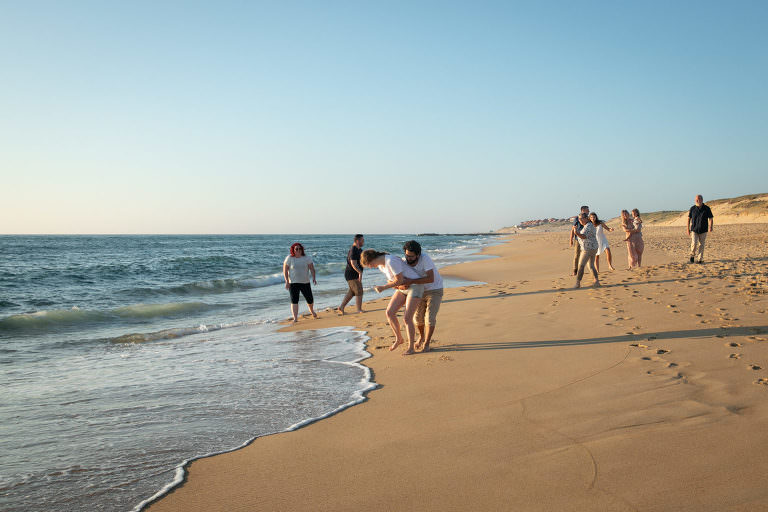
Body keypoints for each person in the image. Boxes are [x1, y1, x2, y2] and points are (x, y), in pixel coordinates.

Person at [360, 249, 423, 355]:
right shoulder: (381, 266)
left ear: (372, 259)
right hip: (402, 288)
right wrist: (395, 285)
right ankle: (399, 338)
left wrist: (383, 287)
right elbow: (394, 280)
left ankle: (411, 348)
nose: (370, 267)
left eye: (369, 265)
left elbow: (399, 280)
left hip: (415, 286)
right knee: (389, 312)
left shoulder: (390, 261)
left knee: (407, 318)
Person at [399, 240, 443, 353]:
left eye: (411, 256)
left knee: (429, 318)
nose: (408, 258)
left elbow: (431, 278)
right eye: (407, 255)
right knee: (417, 319)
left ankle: (427, 343)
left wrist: (411, 281)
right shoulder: (404, 261)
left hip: (434, 289)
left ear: (418, 255)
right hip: (419, 291)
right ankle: (422, 337)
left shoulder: (425, 259)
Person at [282, 242, 317, 323]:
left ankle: (311, 310)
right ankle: (295, 318)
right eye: (296, 249)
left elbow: (312, 268)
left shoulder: (306, 258)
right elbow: (285, 270)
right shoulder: (289, 258)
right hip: (293, 283)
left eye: (300, 249)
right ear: (293, 250)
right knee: (294, 300)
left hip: (305, 282)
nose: (298, 250)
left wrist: (314, 278)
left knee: (310, 299)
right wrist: (286, 281)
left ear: (302, 250)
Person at [338, 234, 365, 314]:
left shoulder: (359, 250)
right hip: (351, 274)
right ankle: (359, 309)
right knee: (359, 291)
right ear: (357, 241)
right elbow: (353, 263)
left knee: (352, 292)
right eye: (362, 240)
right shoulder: (353, 250)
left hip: (354, 274)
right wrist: (360, 272)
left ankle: (341, 307)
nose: (363, 242)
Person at [573, 212, 600, 288]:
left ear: (586, 218)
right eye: (579, 219)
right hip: (592, 247)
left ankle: (577, 283)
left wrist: (576, 233)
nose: (580, 220)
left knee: (581, 265)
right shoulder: (586, 225)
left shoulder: (589, 225)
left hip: (588, 249)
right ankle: (596, 281)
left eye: (581, 219)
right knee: (591, 266)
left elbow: (584, 236)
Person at [688, 194, 714, 264]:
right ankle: (692, 255)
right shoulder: (692, 208)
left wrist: (710, 226)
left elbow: (711, 218)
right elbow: (689, 219)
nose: (697, 201)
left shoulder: (707, 208)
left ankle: (700, 259)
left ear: (702, 200)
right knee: (694, 243)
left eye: (699, 199)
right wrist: (688, 229)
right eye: (696, 199)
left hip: (703, 230)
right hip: (694, 230)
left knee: (701, 245)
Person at [569, 205, 590, 276]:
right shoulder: (577, 218)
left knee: (586, 255)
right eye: (587, 210)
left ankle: (589, 269)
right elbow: (573, 229)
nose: (588, 211)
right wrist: (571, 239)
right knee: (577, 255)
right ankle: (575, 270)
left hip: (586, 239)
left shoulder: (589, 218)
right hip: (578, 239)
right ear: (583, 210)